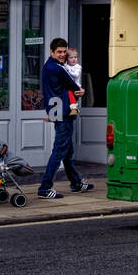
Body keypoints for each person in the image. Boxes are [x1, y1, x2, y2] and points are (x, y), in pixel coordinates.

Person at [39, 38, 93, 199]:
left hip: (55, 110)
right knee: (60, 150)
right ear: (51, 52)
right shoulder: (58, 69)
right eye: (59, 52)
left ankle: (76, 183)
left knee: (67, 150)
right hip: (63, 111)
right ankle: (44, 188)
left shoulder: (47, 66)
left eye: (64, 52)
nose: (62, 55)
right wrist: (81, 91)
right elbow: (75, 87)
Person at [64, 47, 83, 117]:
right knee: (68, 95)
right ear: (67, 59)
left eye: (75, 57)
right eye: (71, 58)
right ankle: (72, 109)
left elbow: (76, 75)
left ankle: (74, 108)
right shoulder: (66, 66)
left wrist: (68, 70)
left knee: (69, 93)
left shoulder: (78, 67)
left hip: (76, 86)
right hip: (69, 86)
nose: (74, 59)